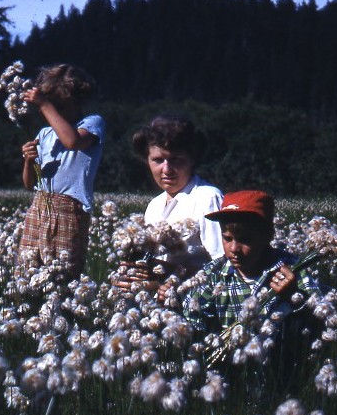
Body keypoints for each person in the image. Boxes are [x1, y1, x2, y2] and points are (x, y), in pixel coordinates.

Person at [182, 190, 323, 335]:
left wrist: (293, 296)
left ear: (268, 236)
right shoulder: (214, 273)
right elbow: (191, 318)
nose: (234, 249)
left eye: (245, 240)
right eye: (227, 239)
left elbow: (321, 321)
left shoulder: (292, 270)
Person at [113, 115, 223, 296]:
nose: (166, 169)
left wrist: (168, 276)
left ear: (192, 159)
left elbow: (224, 265)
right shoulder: (154, 206)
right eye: (158, 160)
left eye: (176, 159)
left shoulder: (208, 197)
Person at [16, 63, 105, 280]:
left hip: (69, 210)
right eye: (51, 107)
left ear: (78, 101)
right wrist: (28, 162)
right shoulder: (45, 133)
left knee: (62, 275)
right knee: (27, 273)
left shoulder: (92, 123)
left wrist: (45, 105)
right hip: (39, 207)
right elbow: (30, 185)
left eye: (59, 107)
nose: (53, 113)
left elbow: (72, 141)